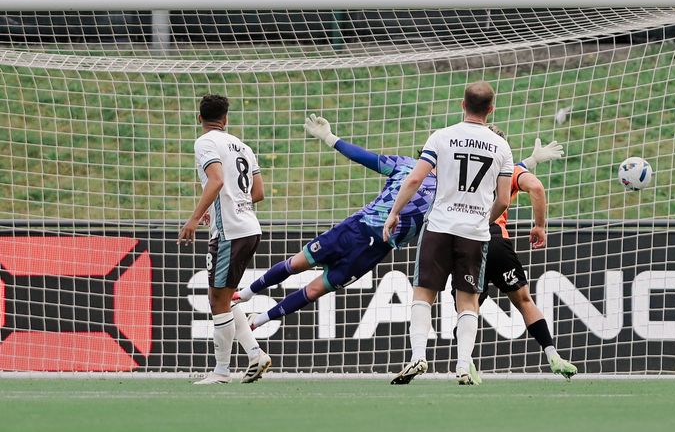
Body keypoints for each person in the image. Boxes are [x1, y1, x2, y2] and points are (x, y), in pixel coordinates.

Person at [231, 114, 437, 330]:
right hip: (355, 228)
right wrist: (330, 138)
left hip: (375, 249)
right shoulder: (405, 165)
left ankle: (256, 321)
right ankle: (244, 294)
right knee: (297, 264)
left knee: (314, 291)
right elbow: (363, 157)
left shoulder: (446, 191)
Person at [383, 81, 513, 386]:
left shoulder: (442, 137)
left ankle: (417, 356)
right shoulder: (501, 146)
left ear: (462, 105)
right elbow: (505, 199)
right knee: (468, 302)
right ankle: (464, 366)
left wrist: (394, 213)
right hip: (474, 231)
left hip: (440, 226)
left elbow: (415, 179)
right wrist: (484, 221)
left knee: (423, 295)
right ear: (491, 109)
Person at [462, 125, 578, 380]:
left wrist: (532, 160)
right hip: (496, 242)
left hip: (467, 241)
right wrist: (539, 226)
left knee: (468, 306)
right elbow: (535, 188)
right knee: (524, 300)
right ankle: (553, 356)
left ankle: (466, 364)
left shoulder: (463, 170)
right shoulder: (508, 170)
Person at [178, 94, 272, 384]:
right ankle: (255, 354)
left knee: (217, 300)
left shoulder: (205, 142)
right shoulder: (242, 145)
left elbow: (217, 180)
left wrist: (195, 217)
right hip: (249, 227)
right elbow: (257, 193)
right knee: (223, 298)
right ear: (226, 119)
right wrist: (229, 203)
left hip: (230, 231)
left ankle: (221, 372)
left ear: (199, 119)